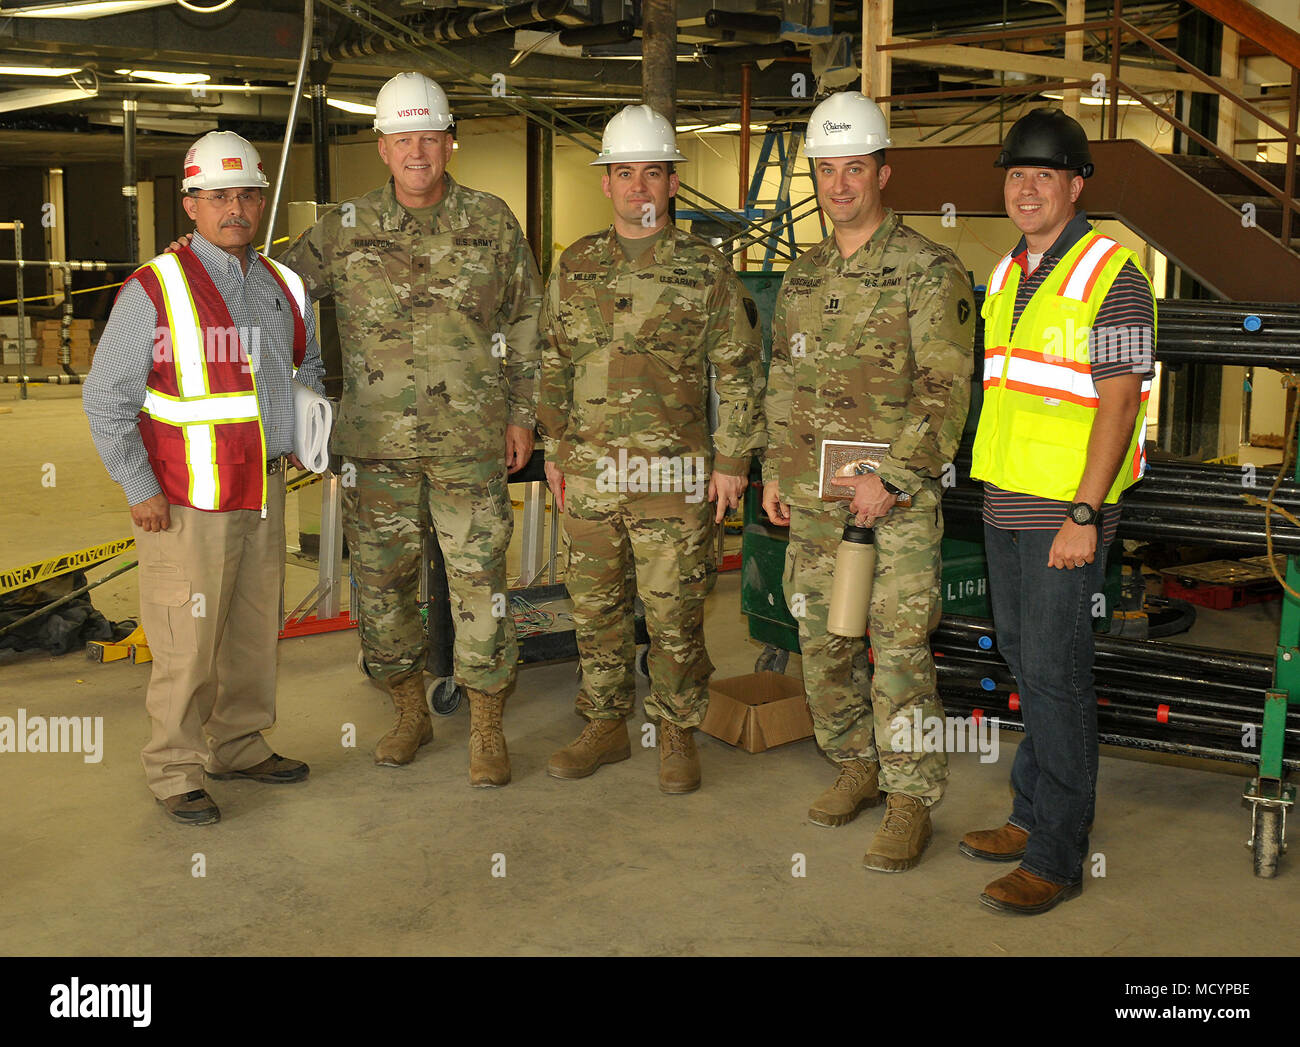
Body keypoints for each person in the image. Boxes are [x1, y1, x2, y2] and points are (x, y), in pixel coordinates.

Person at [278, 72, 542, 786]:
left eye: (431, 137)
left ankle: (486, 724)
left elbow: (526, 321)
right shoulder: (344, 228)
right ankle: (408, 711)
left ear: (450, 142)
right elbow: (277, 293)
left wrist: (524, 413)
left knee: (478, 582)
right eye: (405, 139)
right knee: (382, 586)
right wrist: (213, 256)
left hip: (471, 441)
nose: (418, 151)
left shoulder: (491, 221)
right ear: (383, 146)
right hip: (374, 448)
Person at [84, 131, 326, 825]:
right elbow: (106, 400)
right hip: (187, 499)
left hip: (263, 489)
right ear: (190, 204)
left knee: (251, 630)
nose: (236, 208)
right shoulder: (152, 288)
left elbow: (303, 366)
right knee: (185, 641)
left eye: (247, 193)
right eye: (218, 196)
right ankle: (174, 767)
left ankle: (239, 743)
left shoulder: (284, 284)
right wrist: (138, 487)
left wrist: (307, 428)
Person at [761, 91, 974, 870]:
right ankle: (856, 763)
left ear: (883, 171)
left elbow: (947, 390)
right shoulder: (804, 273)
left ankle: (911, 797)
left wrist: (896, 476)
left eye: (855, 168)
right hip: (816, 498)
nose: (839, 184)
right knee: (822, 641)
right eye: (827, 170)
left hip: (897, 503)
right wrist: (776, 470)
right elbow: (781, 376)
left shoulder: (927, 269)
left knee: (900, 650)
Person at [537, 104, 764, 793]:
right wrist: (551, 447)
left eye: (653, 173)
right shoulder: (574, 265)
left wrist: (731, 462)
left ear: (672, 184)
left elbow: (739, 368)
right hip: (589, 473)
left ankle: (675, 730)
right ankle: (604, 723)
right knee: (594, 608)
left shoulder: (705, 271)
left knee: (674, 612)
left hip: (674, 477)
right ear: (606, 183)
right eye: (625, 172)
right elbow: (551, 360)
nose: (639, 186)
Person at [962, 108, 1155, 914]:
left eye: (1045, 173)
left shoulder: (1115, 273)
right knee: (1024, 662)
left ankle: (1055, 853)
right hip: (1004, 498)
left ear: (1077, 184)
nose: (1027, 187)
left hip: (1062, 511)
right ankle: (1029, 811)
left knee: (1059, 676)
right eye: (1016, 174)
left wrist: (1084, 511)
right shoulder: (1010, 270)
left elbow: (1118, 404)